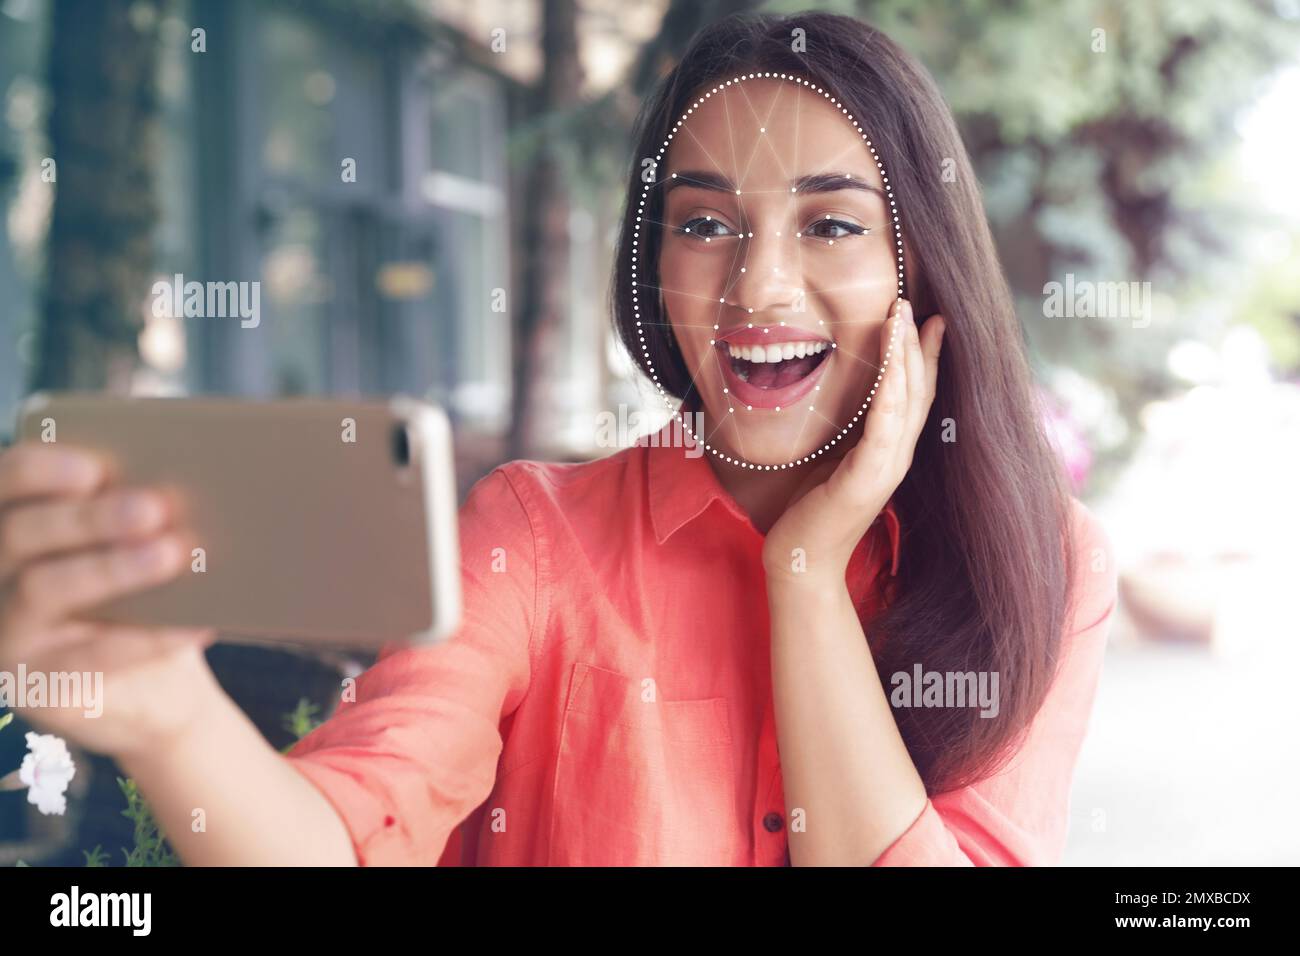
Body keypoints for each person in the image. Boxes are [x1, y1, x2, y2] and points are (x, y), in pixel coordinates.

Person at [0, 11, 1116, 866]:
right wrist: (164, 715)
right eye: (703, 223)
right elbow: (340, 835)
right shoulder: (533, 534)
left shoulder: (1040, 560)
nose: (757, 283)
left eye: (830, 223)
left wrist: (804, 572)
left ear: (922, 268)